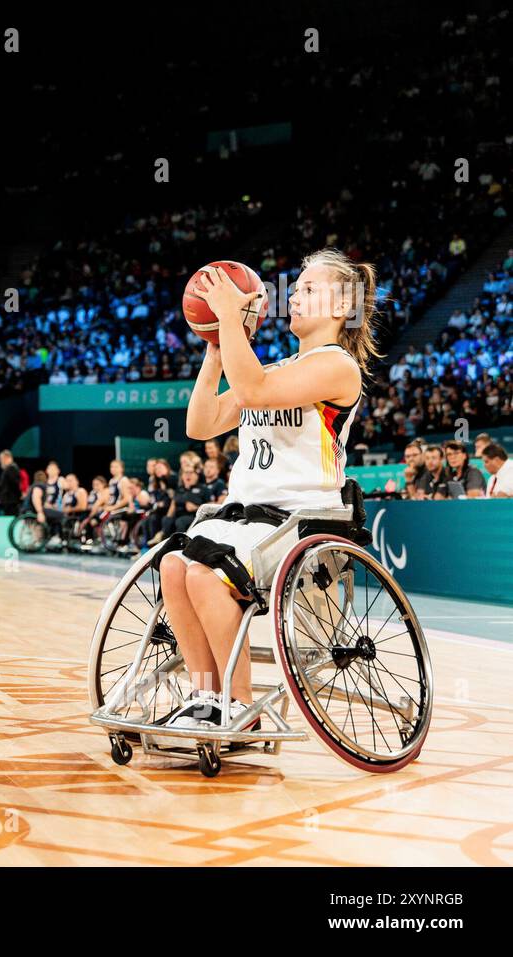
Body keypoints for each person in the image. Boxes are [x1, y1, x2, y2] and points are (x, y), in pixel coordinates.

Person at [161, 248, 376, 732]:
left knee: (204, 574)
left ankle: (239, 708)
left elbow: (255, 390)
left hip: (300, 521)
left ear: (342, 308)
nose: (295, 297)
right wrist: (217, 348)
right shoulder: (273, 367)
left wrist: (233, 325)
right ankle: (205, 696)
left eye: (309, 290)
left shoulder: (337, 366)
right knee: (174, 567)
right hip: (245, 518)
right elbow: (201, 424)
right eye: (296, 289)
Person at [0, 450, 22, 514]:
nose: (0, 461)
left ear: (7, 458)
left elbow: (16, 485)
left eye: (1, 459)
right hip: (8, 502)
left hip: (10, 503)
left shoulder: (11, 469)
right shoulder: (9, 469)